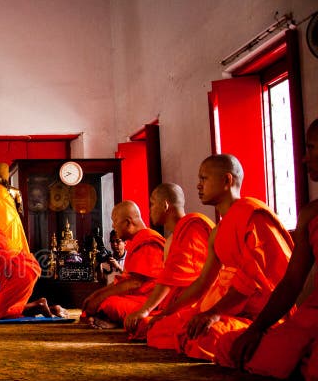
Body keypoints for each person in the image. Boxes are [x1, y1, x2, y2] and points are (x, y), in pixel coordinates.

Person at [143, 154, 292, 362]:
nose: (198, 185)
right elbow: (203, 282)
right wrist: (166, 312)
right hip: (224, 305)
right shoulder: (218, 230)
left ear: (227, 180)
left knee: (207, 336)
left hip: (257, 313)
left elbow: (254, 281)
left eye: (204, 179)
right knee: (160, 327)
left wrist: (214, 313)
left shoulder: (253, 215)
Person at [226, 119, 318, 381]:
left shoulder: (252, 216)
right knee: (237, 348)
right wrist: (258, 329)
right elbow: (291, 282)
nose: (304, 157)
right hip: (311, 315)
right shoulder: (310, 215)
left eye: (311, 148)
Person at [124, 183, 214, 339]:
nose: (150, 209)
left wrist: (148, 310)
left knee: (149, 326)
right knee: (141, 323)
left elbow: (179, 279)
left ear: (165, 205)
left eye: (152, 204)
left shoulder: (192, 228)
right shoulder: (175, 236)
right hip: (174, 301)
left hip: (197, 301)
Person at [81, 201, 165, 329]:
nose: (113, 225)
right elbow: (127, 280)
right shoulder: (137, 241)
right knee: (101, 303)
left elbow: (136, 283)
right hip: (136, 297)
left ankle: (114, 320)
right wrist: (96, 295)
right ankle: (113, 319)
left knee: (110, 303)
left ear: (127, 222)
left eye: (115, 221)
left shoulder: (148, 242)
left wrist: (100, 297)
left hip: (151, 302)